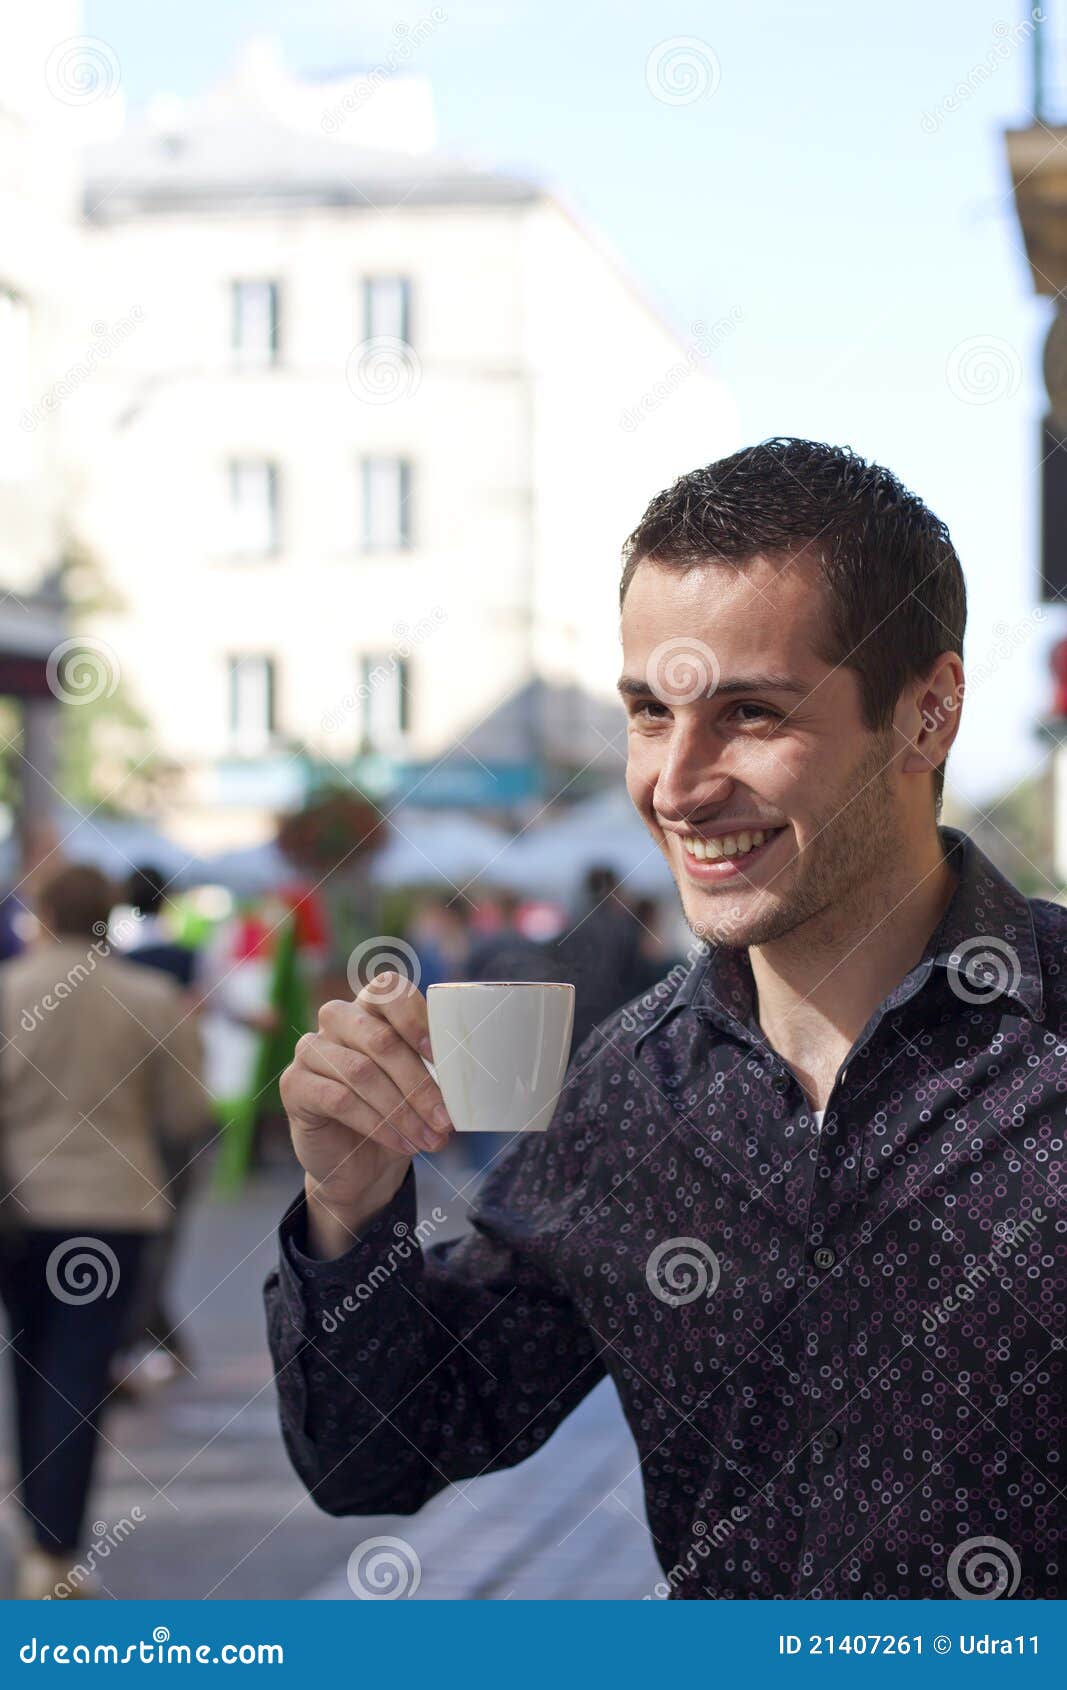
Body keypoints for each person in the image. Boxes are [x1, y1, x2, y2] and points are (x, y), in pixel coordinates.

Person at [263, 439, 1066, 1599]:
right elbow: (383, 1450)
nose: (676, 785)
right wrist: (351, 1206)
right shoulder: (630, 1089)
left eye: (748, 712)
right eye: (649, 712)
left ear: (925, 713)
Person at [0, 864, 209, 1599]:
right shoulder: (151, 998)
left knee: (27, 1364)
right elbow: (188, 1112)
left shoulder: (8, 992)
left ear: (42, 913)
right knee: (79, 1374)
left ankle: (36, 1534)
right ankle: (55, 1553)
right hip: (116, 1209)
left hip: (20, 1209)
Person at [554, 864, 648, 1048]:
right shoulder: (625, 928)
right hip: (615, 1021)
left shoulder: (572, 927)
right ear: (614, 889)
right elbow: (638, 978)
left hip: (575, 1020)